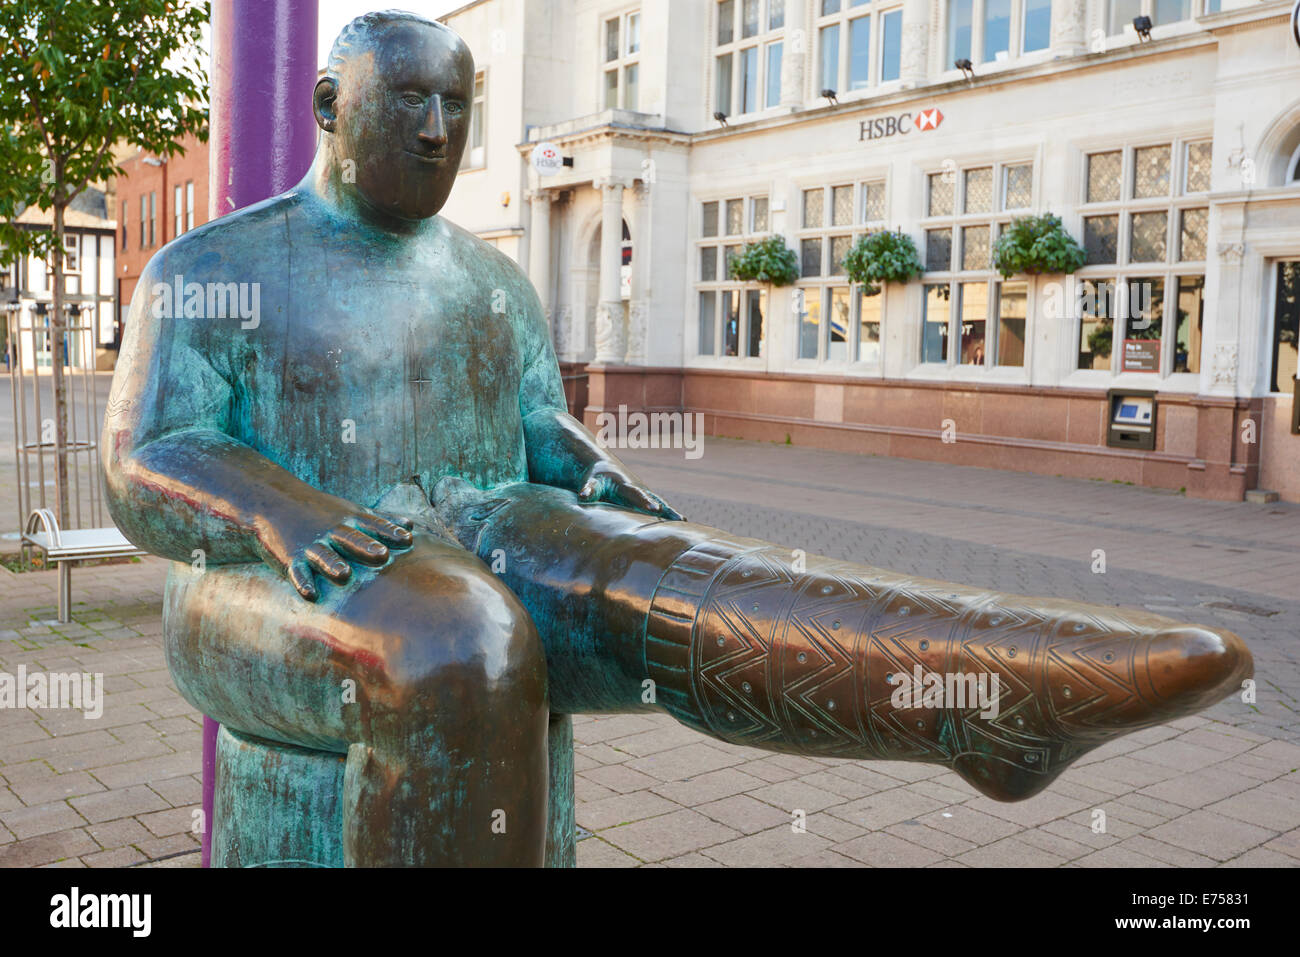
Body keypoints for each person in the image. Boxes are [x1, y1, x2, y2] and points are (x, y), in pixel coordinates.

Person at [104, 11, 1251, 866]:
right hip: (263, 575)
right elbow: (147, 456)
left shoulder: (492, 284)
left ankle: (975, 689)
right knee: (455, 645)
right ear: (325, 105)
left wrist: (585, 468)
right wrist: (284, 509)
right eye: (407, 102)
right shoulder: (214, 271)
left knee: (670, 577)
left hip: (477, 521)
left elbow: (530, 422)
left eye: (456, 107)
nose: (437, 130)